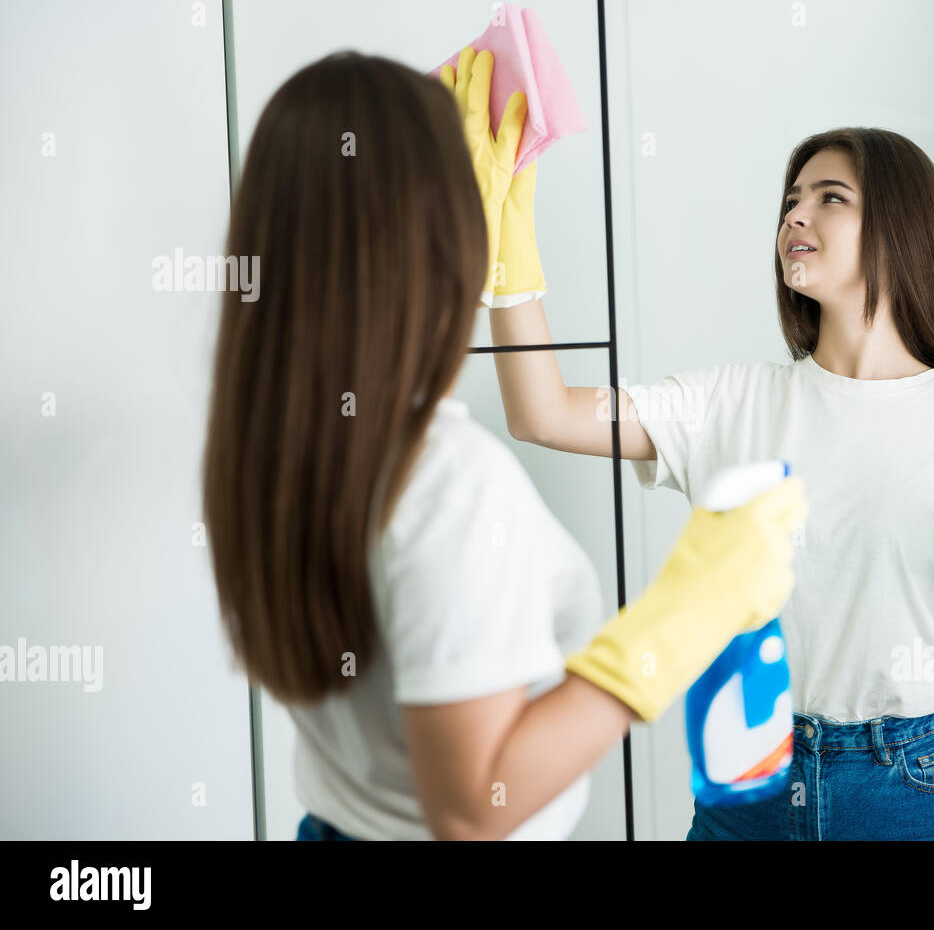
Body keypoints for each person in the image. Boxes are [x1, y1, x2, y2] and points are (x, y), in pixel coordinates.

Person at [200, 48, 807, 841]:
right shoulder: (450, 484)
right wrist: (680, 618)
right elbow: (470, 807)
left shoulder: (280, 440)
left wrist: (492, 274)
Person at [485, 88, 934, 836]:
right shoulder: (734, 403)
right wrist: (505, 259)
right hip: (750, 772)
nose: (794, 217)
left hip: (909, 783)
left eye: (829, 198)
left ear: (900, 230)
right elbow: (542, 413)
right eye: (791, 200)